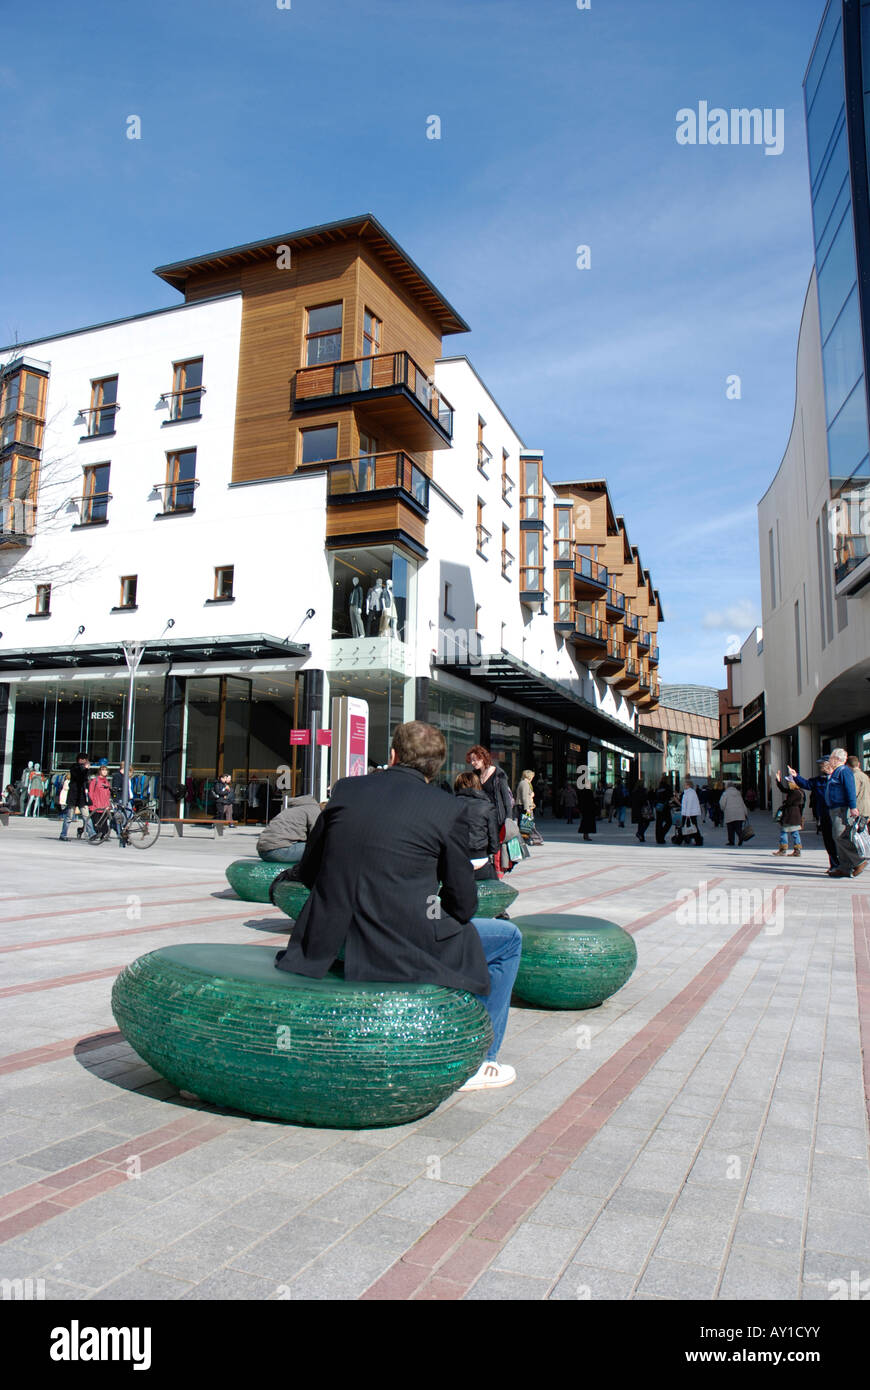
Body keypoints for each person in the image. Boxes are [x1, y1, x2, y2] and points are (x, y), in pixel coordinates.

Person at [275, 721, 522, 1090]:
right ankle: (479, 1061)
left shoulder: (347, 791)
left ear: (392, 756)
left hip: (326, 940)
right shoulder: (444, 807)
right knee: (509, 939)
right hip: (398, 943)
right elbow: (463, 901)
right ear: (435, 768)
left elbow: (310, 869)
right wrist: (434, 916)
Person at [788, 758, 837, 870]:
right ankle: (834, 864)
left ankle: (845, 863)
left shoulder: (837, 778)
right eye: (821, 766)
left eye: (824, 765)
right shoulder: (819, 780)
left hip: (838, 813)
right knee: (828, 840)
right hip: (824, 814)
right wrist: (796, 776)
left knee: (840, 840)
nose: (822, 768)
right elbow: (806, 784)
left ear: (831, 765)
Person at [824, 748, 864, 878]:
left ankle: (858, 861)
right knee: (838, 838)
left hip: (841, 809)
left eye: (831, 758)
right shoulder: (836, 772)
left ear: (837, 759)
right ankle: (844, 868)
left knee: (839, 836)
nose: (829, 760)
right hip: (834, 808)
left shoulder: (844, 771)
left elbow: (850, 789)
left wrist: (853, 807)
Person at [454, 771, 500, 880]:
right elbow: (494, 843)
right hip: (480, 858)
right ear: (477, 785)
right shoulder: (487, 807)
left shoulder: (449, 804)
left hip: (456, 859)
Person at [257, 795, 322, 862]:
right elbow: (317, 835)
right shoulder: (314, 810)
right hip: (278, 851)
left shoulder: (295, 809)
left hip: (263, 852)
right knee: (321, 848)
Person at [59, 753, 97, 842]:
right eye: (83, 759)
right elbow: (78, 776)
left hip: (81, 796)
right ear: (79, 759)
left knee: (86, 816)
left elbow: (85, 778)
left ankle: (92, 833)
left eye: (86, 759)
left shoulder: (84, 769)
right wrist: (85, 769)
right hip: (73, 795)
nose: (85, 761)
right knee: (69, 817)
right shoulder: (74, 767)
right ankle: (63, 834)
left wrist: (86, 769)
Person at [772, 772, 805, 857]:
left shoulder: (795, 793)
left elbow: (789, 802)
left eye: (789, 782)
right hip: (796, 815)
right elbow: (783, 789)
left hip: (790, 815)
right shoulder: (800, 792)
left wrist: (785, 803)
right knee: (795, 832)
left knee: (784, 831)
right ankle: (797, 849)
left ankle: (783, 849)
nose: (788, 784)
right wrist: (778, 781)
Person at [87, 764, 114, 839]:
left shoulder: (107, 782)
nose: (105, 771)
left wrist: (109, 804)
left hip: (105, 805)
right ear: (99, 771)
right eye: (103, 770)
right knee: (95, 821)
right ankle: (94, 834)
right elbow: (91, 792)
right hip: (96, 804)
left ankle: (103, 835)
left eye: (106, 770)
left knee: (104, 821)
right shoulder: (94, 781)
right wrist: (92, 802)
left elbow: (108, 794)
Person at [680, 779, 703, 846]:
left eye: (685, 784)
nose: (684, 786)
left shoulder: (690, 793)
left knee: (691, 826)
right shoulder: (689, 792)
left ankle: (681, 839)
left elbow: (689, 803)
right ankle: (696, 839)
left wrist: (687, 814)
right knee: (692, 826)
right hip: (690, 812)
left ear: (688, 785)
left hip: (689, 813)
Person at [654, 777, 672, 845]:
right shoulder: (667, 787)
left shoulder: (659, 787)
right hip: (665, 807)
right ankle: (661, 835)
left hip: (658, 806)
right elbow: (670, 797)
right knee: (669, 822)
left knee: (659, 822)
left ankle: (658, 838)